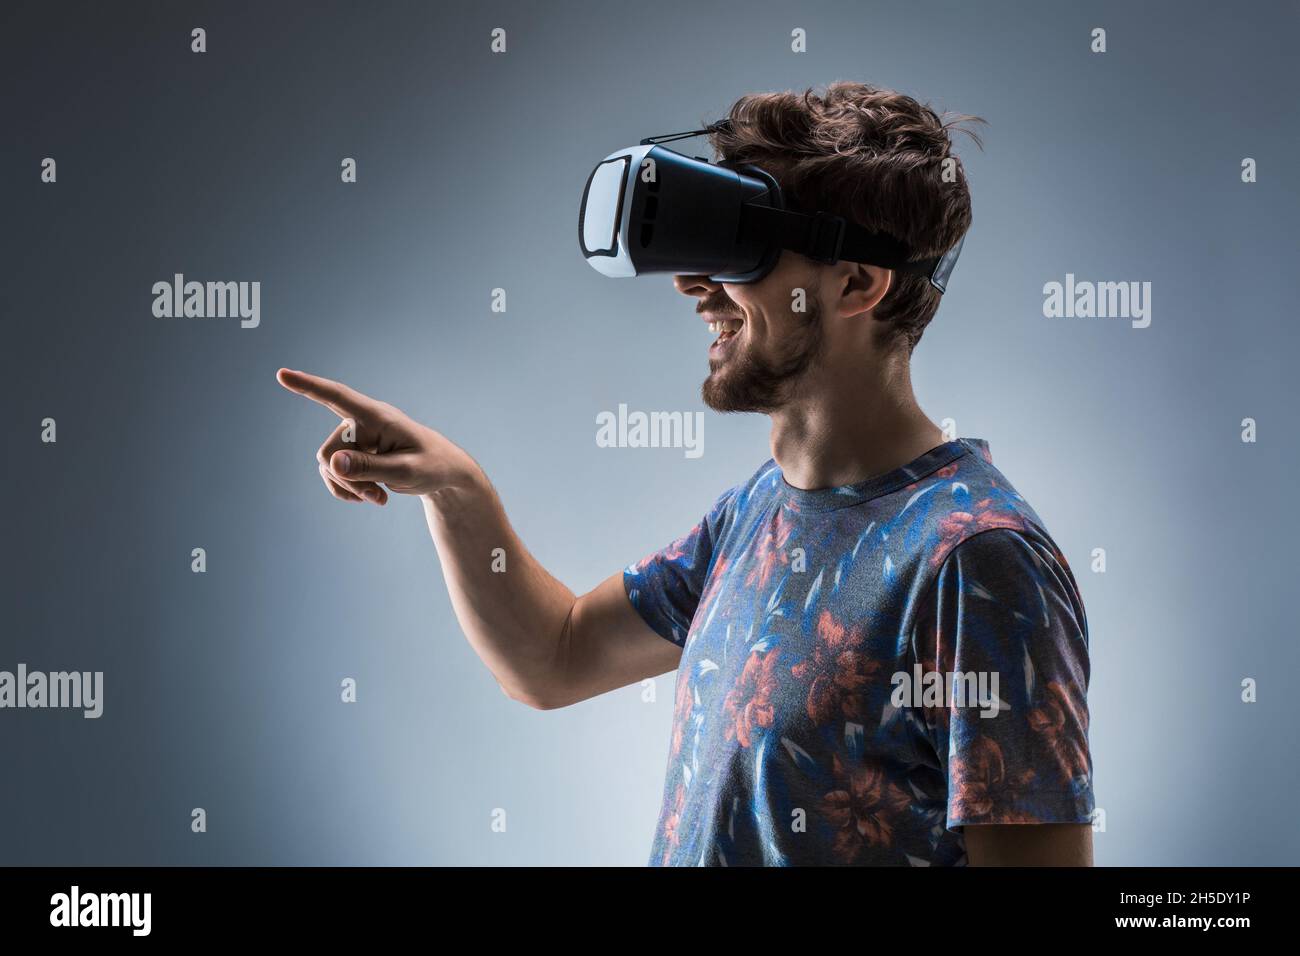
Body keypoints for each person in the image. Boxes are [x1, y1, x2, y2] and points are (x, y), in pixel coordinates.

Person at [278, 82, 1094, 866]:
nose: (692, 284)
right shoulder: (758, 514)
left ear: (855, 283)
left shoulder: (975, 560)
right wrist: (457, 489)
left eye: (740, 247)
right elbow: (553, 657)